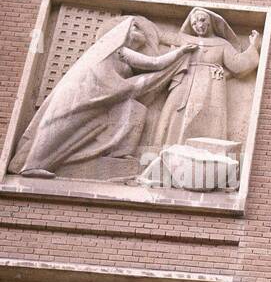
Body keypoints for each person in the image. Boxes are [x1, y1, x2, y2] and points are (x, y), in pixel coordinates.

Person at [16, 18, 194, 177]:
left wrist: (178, 54)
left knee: (134, 109)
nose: (144, 36)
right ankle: (30, 165)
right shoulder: (117, 49)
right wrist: (180, 53)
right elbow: (155, 64)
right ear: (124, 31)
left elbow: (147, 70)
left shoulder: (123, 56)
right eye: (137, 29)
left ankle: (118, 153)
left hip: (104, 99)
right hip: (83, 96)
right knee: (60, 126)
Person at [149, 8, 260, 150]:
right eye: (194, 23)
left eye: (202, 20)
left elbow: (238, 65)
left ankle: (209, 154)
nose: (198, 25)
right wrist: (137, 22)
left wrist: (253, 46)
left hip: (212, 85)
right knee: (174, 114)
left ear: (210, 22)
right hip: (185, 81)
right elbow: (161, 36)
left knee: (210, 120)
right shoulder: (184, 39)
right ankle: (167, 150)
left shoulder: (222, 44)